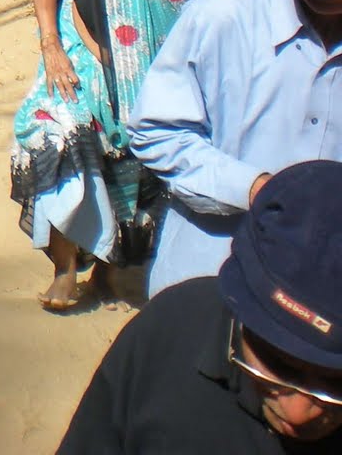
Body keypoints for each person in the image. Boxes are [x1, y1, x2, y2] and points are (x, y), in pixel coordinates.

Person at [10, 0, 231, 311]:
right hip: (79, 65)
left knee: (138, 175)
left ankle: (109, 273)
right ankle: (65, 267)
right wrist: (51, 45)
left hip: (155, 86)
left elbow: (220, 23)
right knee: (56, 142)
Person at [129, 0, 342, 297]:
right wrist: (253, 189)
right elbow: (157, 132)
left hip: (326, 299)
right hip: (212, 283)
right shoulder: (219, 18)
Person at [57, 159, 342, 452]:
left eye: (336, 383)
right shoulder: (169, 330)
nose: (298, 412)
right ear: (240, 317)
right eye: (277, 364)